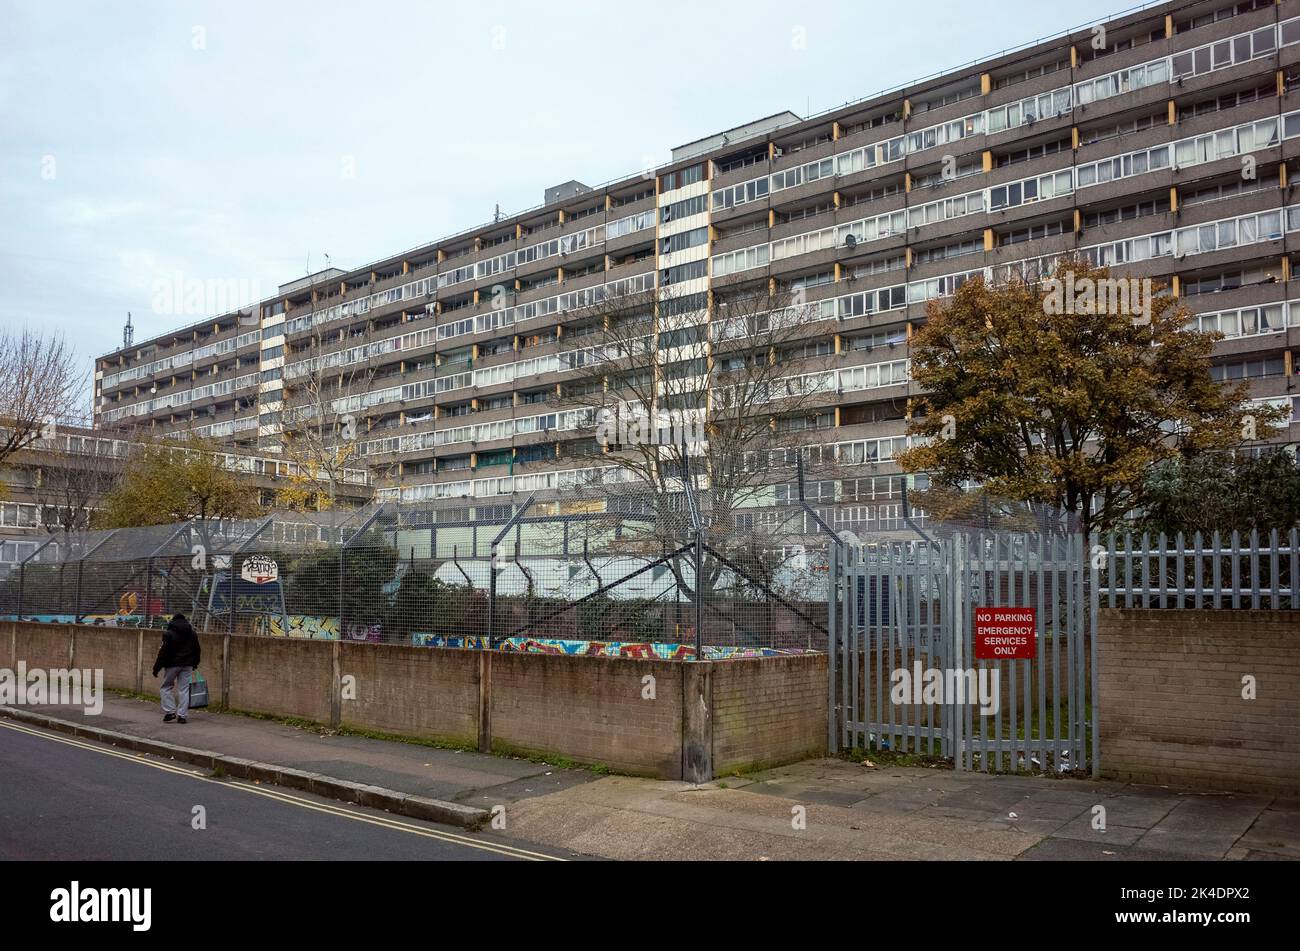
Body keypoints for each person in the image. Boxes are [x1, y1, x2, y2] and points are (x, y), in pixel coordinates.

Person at [152, 613, 201, 723]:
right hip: (187, 664)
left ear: (173, 622)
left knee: (166, 687)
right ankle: (182, 716)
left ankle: (170, 712)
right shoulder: (192, 634)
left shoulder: (168, 634)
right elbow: (197, 650)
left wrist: (156, 668)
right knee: (184, 690)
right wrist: (195, 663)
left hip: (172, 665)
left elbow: (163, 652)